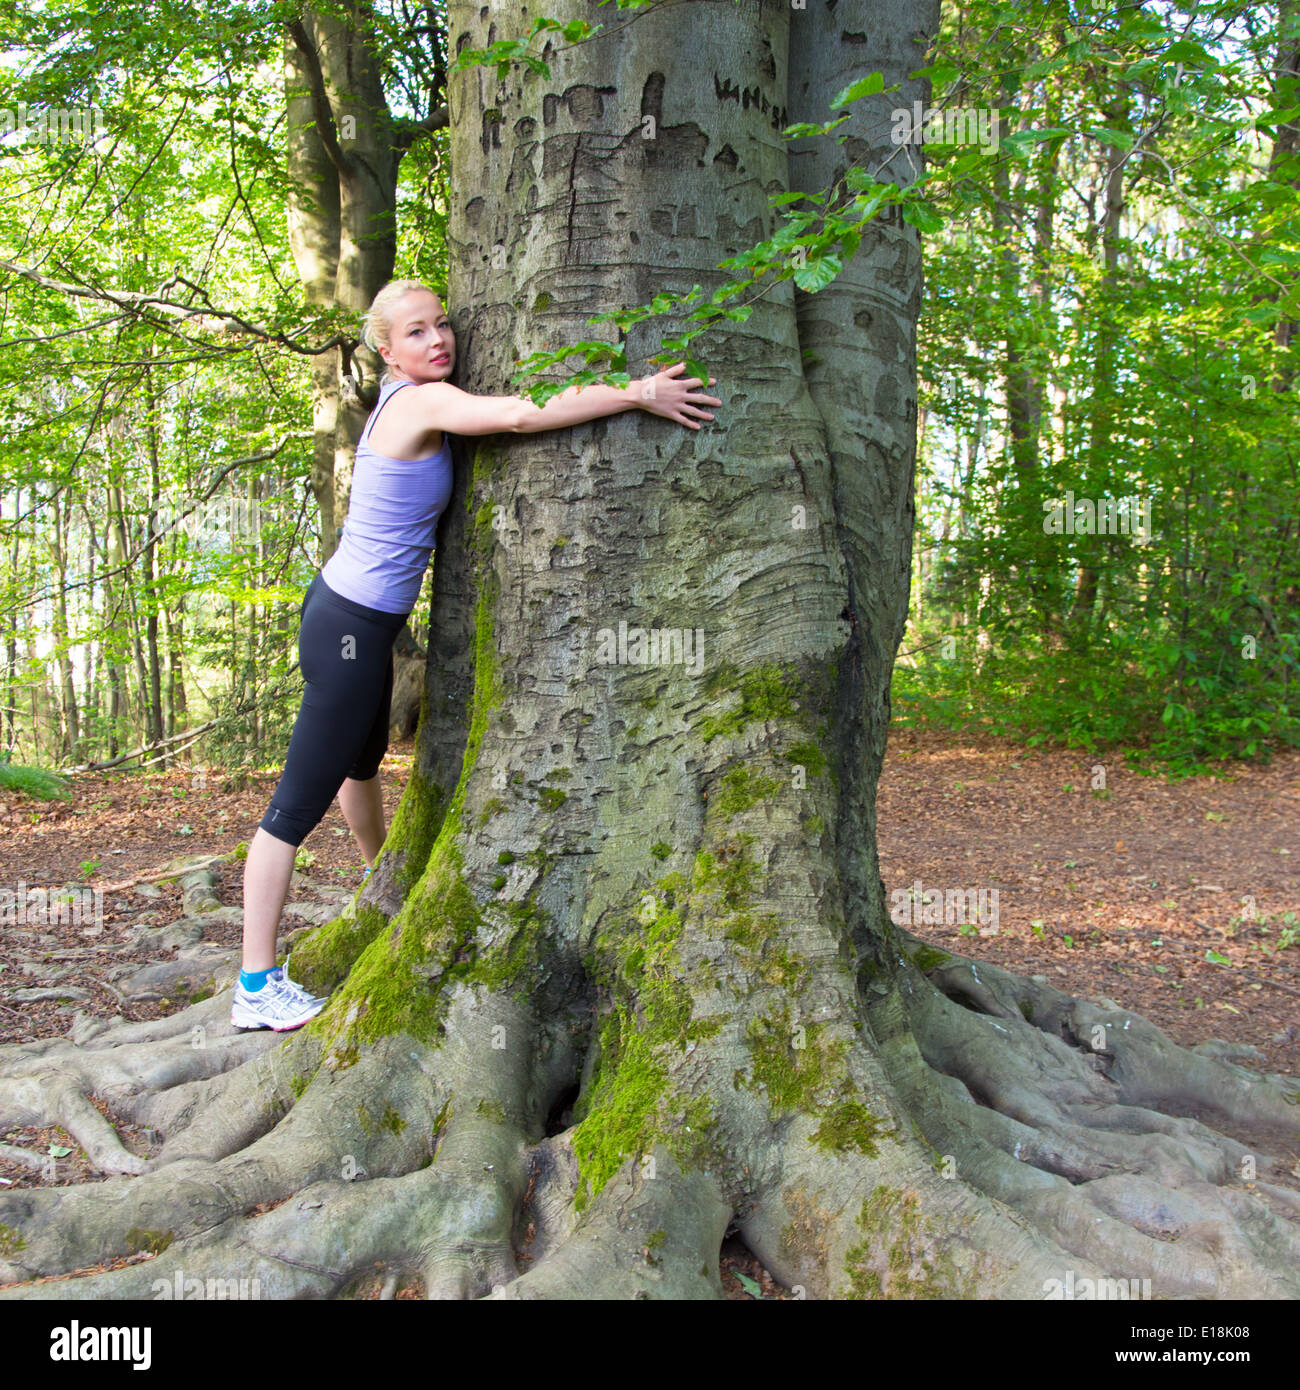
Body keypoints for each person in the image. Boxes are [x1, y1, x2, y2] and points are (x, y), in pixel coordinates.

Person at [231, 278, 722, 1030]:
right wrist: (637, 392)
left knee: (361, 768)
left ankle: (380, 885)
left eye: (442, 327)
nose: (439, 341)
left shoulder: (402, 401)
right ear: (388, 352)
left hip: (350, 616)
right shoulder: (421, 402)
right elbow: (523, 416)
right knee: (291, 811)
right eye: (418, 333)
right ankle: (255, 986)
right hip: (349, 629)